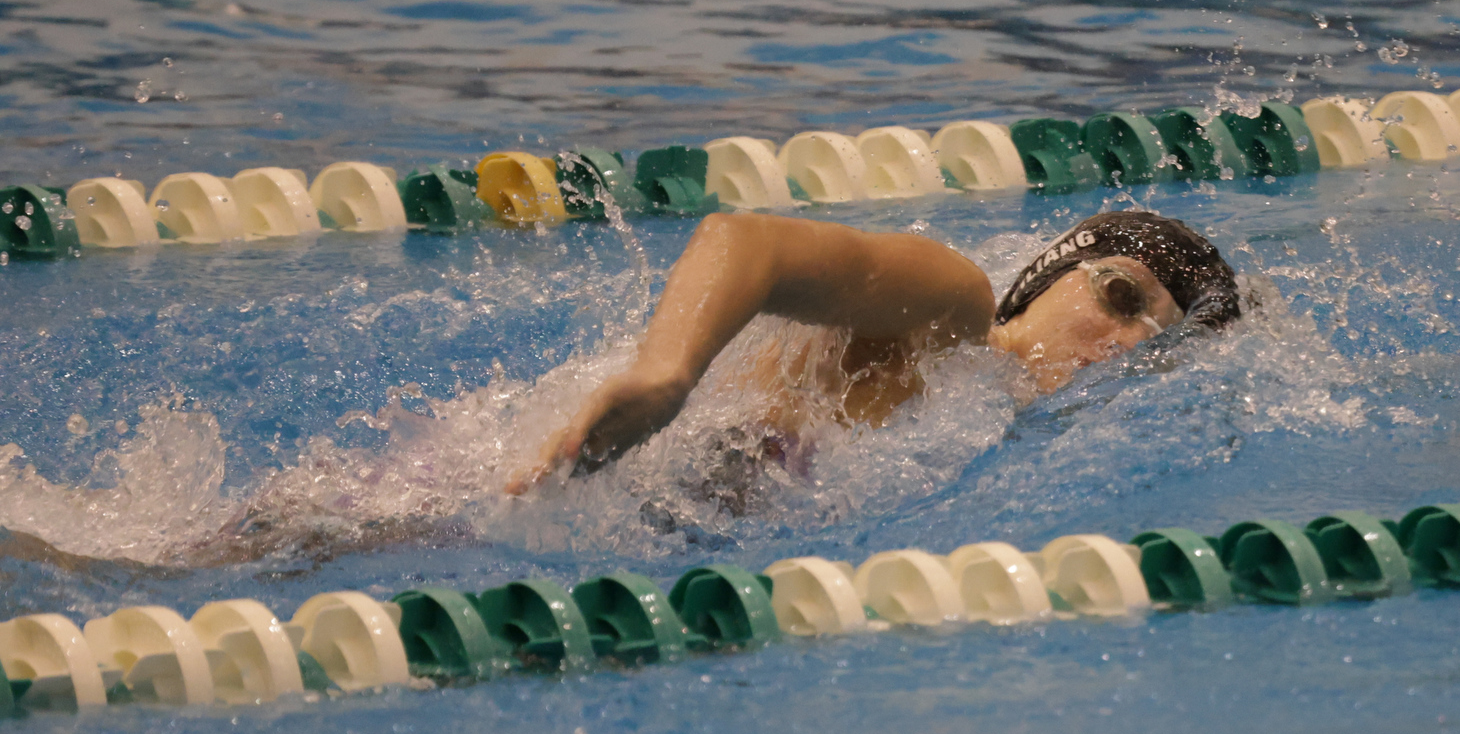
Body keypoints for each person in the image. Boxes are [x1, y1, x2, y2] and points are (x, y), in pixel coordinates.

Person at [506, 208, 1242, 495]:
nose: (1120, 345)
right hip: (525, 484)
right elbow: (744, 240)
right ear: (1051, 274)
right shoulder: (952, 312)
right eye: (1119, 297)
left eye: (1151, 343)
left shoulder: (990, 425)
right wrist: (665, 375)